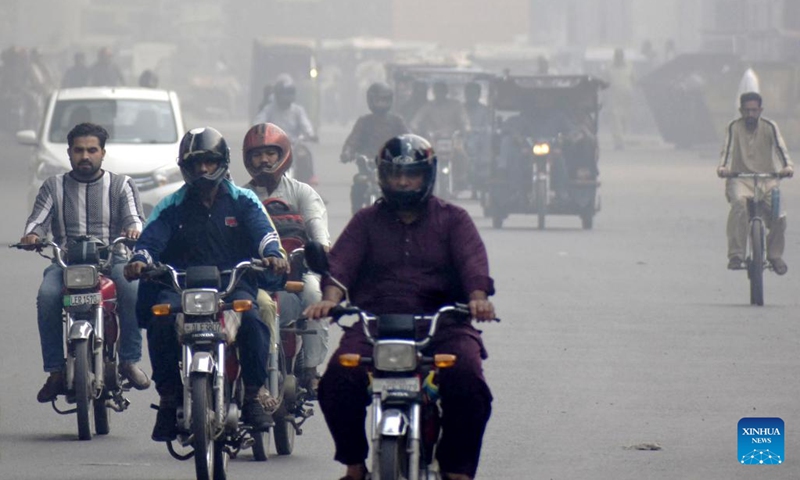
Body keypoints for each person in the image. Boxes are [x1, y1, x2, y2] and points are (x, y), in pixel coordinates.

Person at [304, 134, 496, 480]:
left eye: (412, 174)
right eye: (395, 174)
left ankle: (456, 469)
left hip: (443, 324)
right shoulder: (365, 221)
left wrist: (478, 297)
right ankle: (354, 465)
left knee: (468, 380)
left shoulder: (454, 219)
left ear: (428, 175)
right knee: (335, 381)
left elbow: (472, 263)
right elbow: (341, 265)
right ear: (383, 176)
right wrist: (329, 301)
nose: (403, 182)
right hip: (375, 325)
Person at [123, 126, 289, 441]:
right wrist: (141, 260)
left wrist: (272, 254)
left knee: (253, 319)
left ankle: (253, 394)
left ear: (222, 162)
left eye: (209, 162)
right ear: (186, 165)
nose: (203, 169)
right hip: (180, 286)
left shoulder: (244, 200)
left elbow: (265, 234)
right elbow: (149, 240)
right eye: (196, 162)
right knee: (160, 320)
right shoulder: (171, 204)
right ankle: (170, 397)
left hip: (232, 284)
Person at [21, 122, 150, 403]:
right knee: (47, 296)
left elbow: (135, 219)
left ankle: (129, 361)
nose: (85, 156)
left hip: (112, 259)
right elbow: (38, 220)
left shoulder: (121, 185)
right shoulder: (53, 186)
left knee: (132, 290)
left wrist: (134, 231)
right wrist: (32, 234)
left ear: (103, 153)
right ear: (69, 153)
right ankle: (55, 371)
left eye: (92, 150)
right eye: (79, 150)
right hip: (66, 263)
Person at [240, 122, 331, 395]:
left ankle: (311, 369)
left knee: (316, 293)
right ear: (248, 159)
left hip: (299, 270)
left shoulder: (302, 192)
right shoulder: (241, 196)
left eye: (271, 153)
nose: (264, 160)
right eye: (257, 154)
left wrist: (320, 249)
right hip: (256, 272)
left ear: (284, 156)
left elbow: (317, 228)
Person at [717, 92, 794, 274]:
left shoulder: (770, 127)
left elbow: (780, 148)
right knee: (739, 206)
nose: (750, 114)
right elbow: (726, 151)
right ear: (741, 111)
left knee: (779, 215)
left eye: (754, 110)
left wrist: (787, 167)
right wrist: (723, 168)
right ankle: (736, 254)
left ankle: (775, 255)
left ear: (760, 110)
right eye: (747, 110)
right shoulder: (733, 127)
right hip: (740, 179)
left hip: (767, 179)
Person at [340, 82, 409, 213]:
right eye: (377, 100)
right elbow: (353, 140)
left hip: (392, 165)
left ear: (390, 100)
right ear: (370, 101)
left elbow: (408, 139)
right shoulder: (364, 121)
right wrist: (347, 152)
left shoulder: (397, 121)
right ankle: (357, 216)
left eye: (384, 100)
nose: (381, 104)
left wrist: (412, 152)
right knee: (359, 183)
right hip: (367, 166)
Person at [606, 48, 634, 150]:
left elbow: (633, 79)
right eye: (617, 56)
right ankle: (619, 142)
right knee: (615, 118)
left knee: (624, 118)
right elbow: (606, 82)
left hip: (626, 96)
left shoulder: (629, 67)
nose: (618, 58)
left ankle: (621, 139)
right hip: (614, 96)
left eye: (619, 56)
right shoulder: (610, 68)